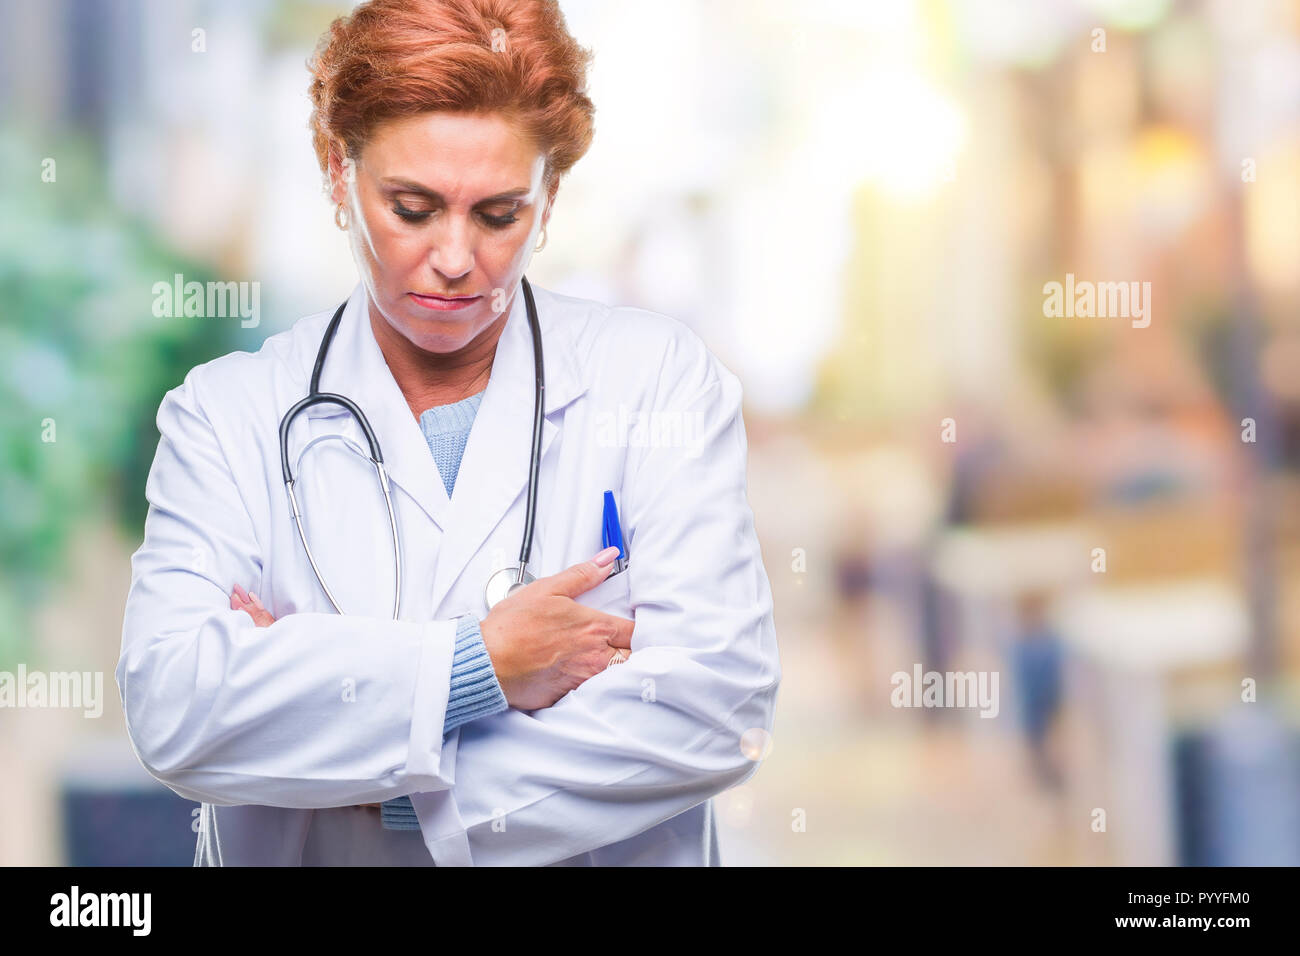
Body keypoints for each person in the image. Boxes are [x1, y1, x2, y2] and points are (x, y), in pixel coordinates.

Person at [115, 0, 780, 866]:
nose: (458, 257)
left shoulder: (656, 383)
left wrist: (366, 771)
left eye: (500, 214)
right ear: (335, 172)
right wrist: (482, 665)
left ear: (548, 199)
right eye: (413, 207)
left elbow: (715, 710)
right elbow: (177, 708)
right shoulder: (229, 416)